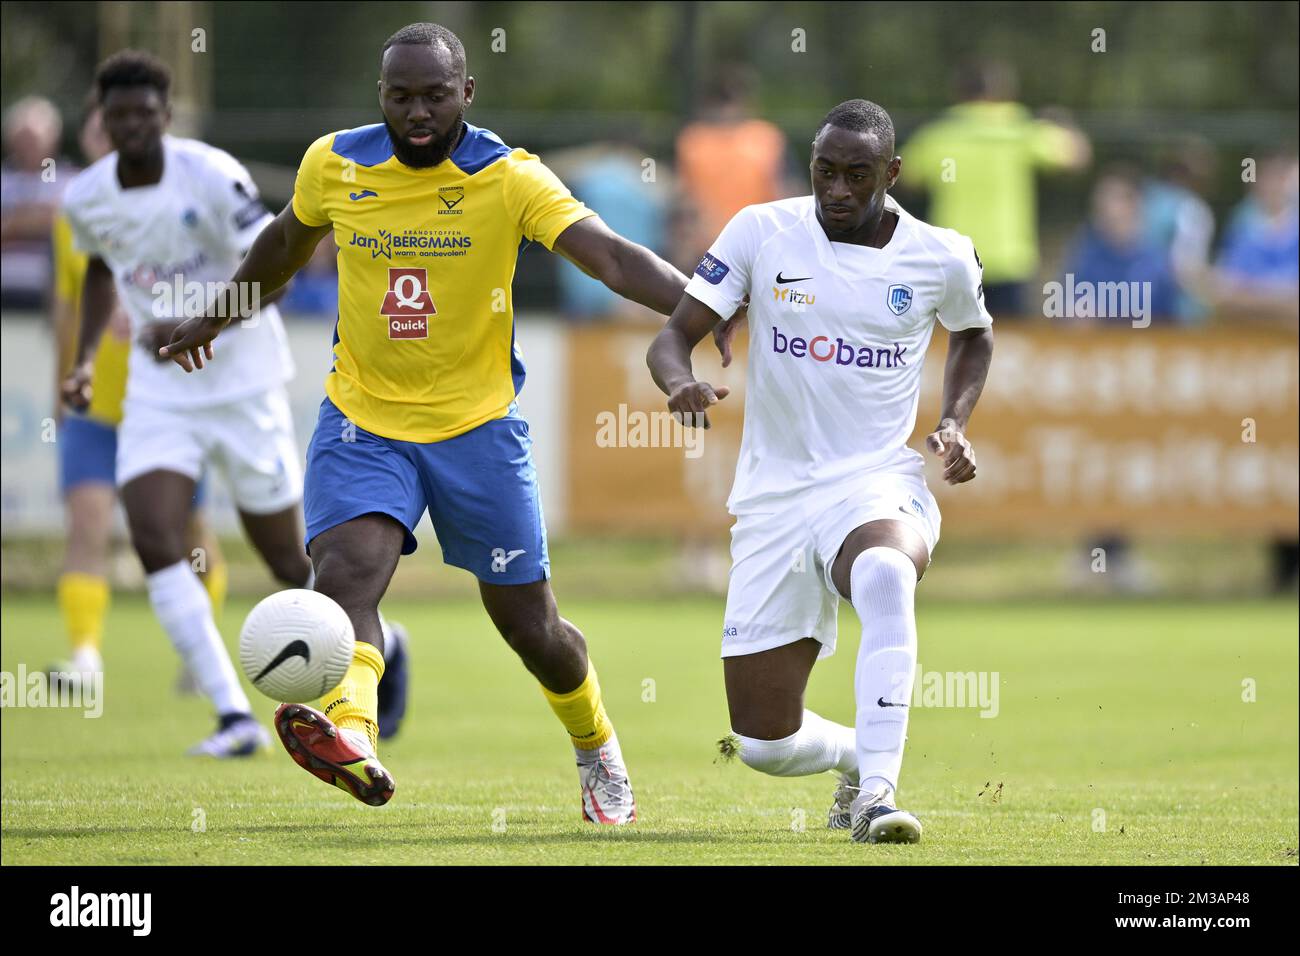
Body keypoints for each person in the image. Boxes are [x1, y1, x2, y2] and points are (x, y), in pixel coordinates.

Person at [161, 23, 740, 821]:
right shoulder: (334, 161)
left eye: (435, 95)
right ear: (382, 97)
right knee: (344, 577)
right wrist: (218, 313)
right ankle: (355, 731)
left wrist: (702, 308)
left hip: (478, 432)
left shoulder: (509, 177)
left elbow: (609, 256)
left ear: (467, 93)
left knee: (533, 630)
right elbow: (287, 242)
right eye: (401, 97)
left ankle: (596, 743)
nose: (418, 112)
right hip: (364, 418)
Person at [647, 99, 994, 844]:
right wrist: (678, 382)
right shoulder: (761, 231)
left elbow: (973, 335)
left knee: (884, 573)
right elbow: (674, 336)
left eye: (857, 176)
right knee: (765, 744)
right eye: (825, 172)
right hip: (774, 500)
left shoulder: (939, 255)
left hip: (874, 479)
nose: (837, 190)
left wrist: (954, 420)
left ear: (892, 174)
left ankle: (878, 793)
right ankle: (849, 758)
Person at [60, 51, 319, 756]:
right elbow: (99, 272)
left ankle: (379, 645)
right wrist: (83, 361)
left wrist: (201, 323)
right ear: (102, 121)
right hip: (160, 393)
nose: (133, 126)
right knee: (153, 537)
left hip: (242, 383)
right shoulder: (86, 196)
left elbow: (279, 270)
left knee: (290, 563)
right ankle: (234, 714)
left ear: (166, 117)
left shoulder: (210, 174)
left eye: (146, 113)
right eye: (119, 116)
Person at [48, 101, 229, 686]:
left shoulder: (185, 208)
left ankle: (204, 656)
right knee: (87, 524)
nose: (113, 135)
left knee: (188, 536)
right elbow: (67, 307)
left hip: (169, 404)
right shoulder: (72, 215)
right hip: (99, 407)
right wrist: (68, 376)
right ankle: (85, 657)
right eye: (102, 125)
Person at [900, 60, 1089, 318]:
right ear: (1001, 93)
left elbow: (906, 177)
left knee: (954, 345)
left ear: (959, 93)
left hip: (953, 259)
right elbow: (1076, 157)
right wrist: (1062, 123)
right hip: (1009, 258)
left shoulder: (938, 136)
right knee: (1007, 345)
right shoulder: (1018, 131)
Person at [1, 96, 65, 310]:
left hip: (54, 293)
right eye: (22, 138)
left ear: (52, 138)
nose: (28, 146)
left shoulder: (73, 180)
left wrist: (15, 221)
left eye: (34, 138)